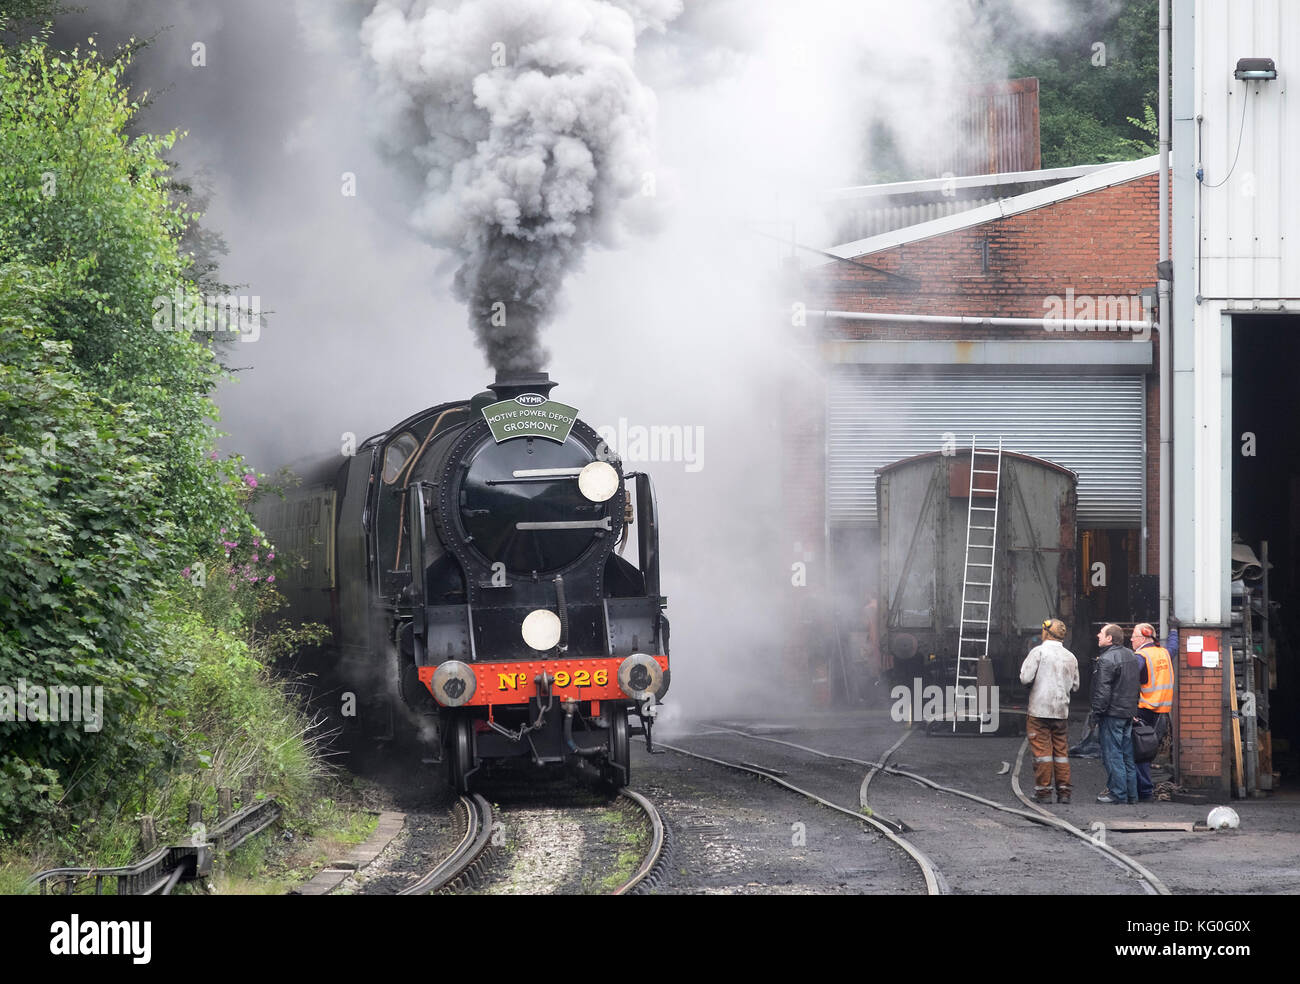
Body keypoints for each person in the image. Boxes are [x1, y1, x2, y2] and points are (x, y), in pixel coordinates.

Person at [1019, 618, 1080, 803]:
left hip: (1039, 711)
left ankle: (1043, 793)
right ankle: (1064, 793)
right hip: (1061, 711)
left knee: (1042, 753)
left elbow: (1025, 678)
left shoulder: (1038, 652)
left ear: (1045, 632)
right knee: (1061, 752)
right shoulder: (1071, 656)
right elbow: (1076, 686)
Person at [1092, 623, 1142, 804]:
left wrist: (1097, 714)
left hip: (1112, 714)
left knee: (1113, 755)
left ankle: (1117, 794)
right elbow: (1136, 685)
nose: (1098, 635)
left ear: (1109, 639)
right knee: (1127, 755)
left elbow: (1102, 691)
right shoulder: (1132, 656)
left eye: (1102, 633)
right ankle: (1131, 795)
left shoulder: (1107, 659)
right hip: (1127, 712)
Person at [1131, 622, 1174, 802]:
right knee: (1147, 752)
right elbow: (1174, 646)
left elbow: (1130, 682)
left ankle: (1144, 791)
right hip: (1162, 712)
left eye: (1134, 635)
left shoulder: (1141, 656)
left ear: (1143, 637)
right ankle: (1144, 789)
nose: (1131, 639)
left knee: (1139, 752)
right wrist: (1174, 631)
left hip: (1144, 711)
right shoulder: (1164, 653)